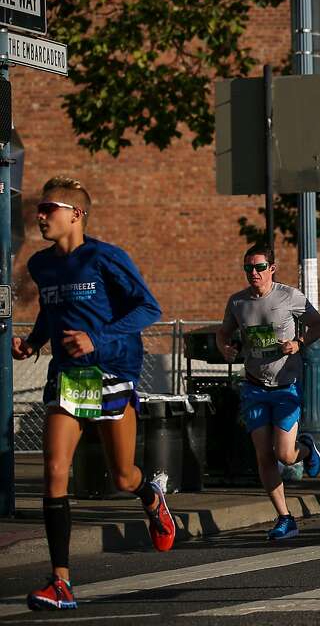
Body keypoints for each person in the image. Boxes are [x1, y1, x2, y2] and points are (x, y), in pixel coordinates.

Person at [18, 177, 174, 611]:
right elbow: (52, 312)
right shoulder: (40, 265)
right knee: (54, 470)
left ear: (76, 214)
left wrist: (97, 338)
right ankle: (61, 582)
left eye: (49, 208)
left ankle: (150, 496)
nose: (41, 215)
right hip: (67, 376)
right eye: (40, 209)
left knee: (122, 476)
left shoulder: (106, 257)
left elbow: (149, 308)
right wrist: (32, 342)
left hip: (111, 371)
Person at [218, 243, 320, 540]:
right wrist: (225, 348)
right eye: (248, 268)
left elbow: (319, 324)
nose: (253, 273)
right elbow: (223, 333)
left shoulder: (289, 296)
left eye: (259, 267)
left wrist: (299, 343)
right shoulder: (237, 302)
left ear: (272, 268)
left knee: (285, 456)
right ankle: (285, 517)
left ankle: (305, 449)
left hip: (286, 387)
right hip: (254, 386)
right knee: (263, 456)